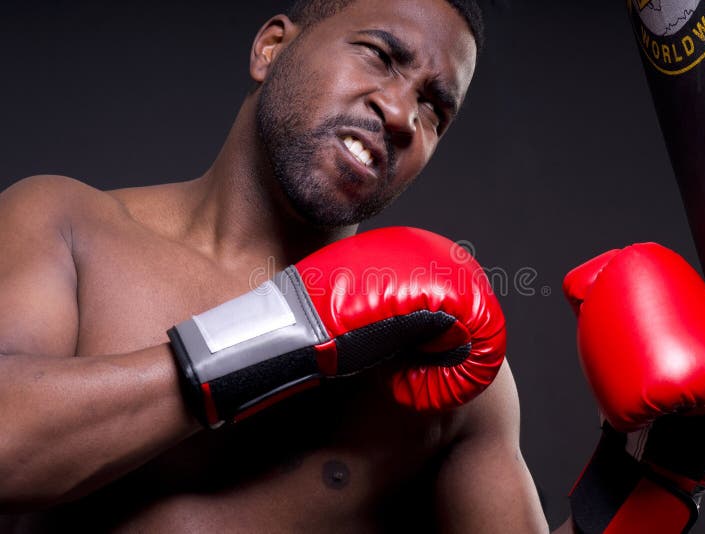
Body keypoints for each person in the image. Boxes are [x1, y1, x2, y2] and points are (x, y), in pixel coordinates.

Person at [0, 0, 549, 532]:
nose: (403, 114)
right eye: (380, 55)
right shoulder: (66, 224)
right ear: (272, 48)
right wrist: (284, 332)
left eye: (434, 107)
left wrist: (624, 472)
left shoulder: (445, 363)